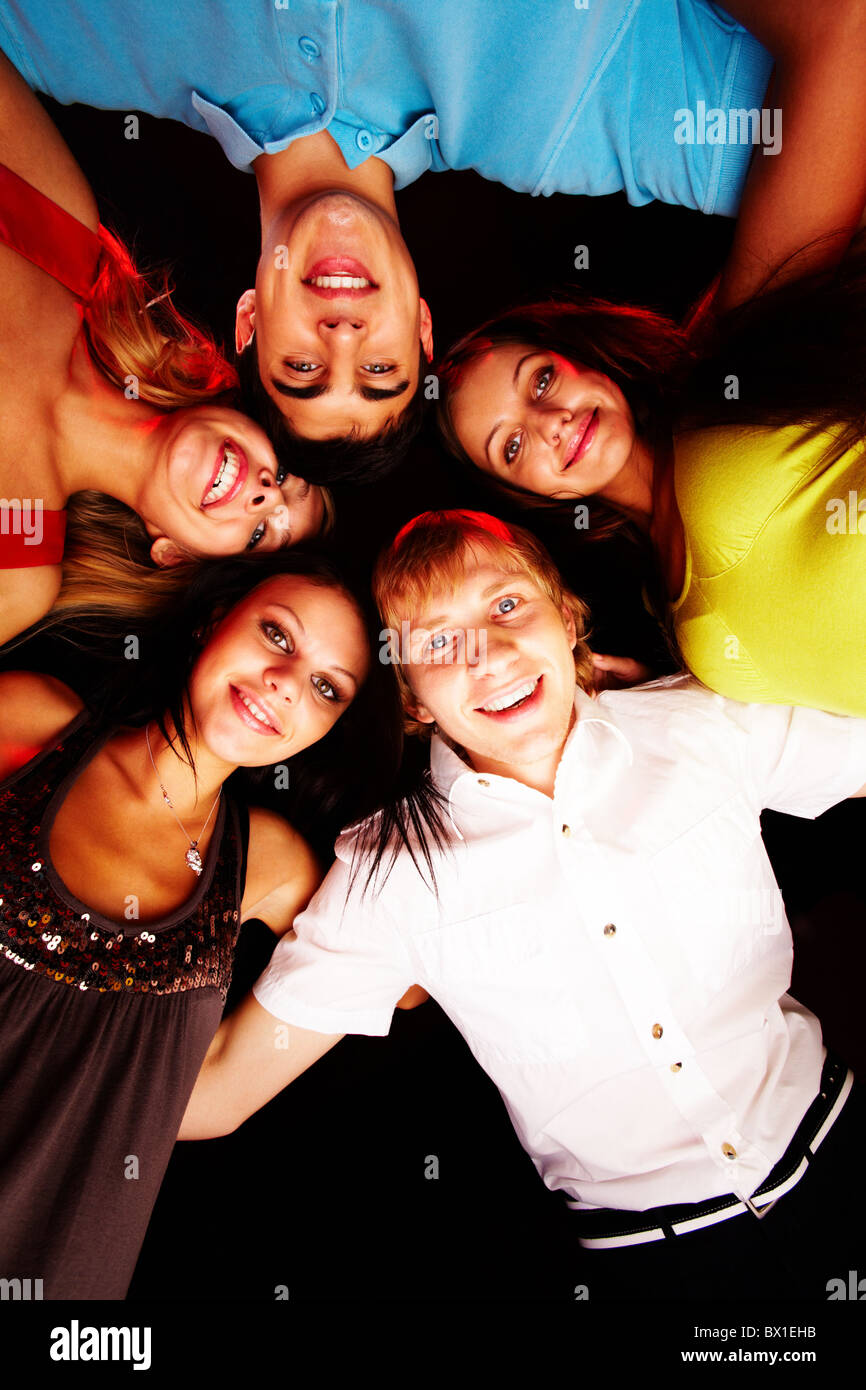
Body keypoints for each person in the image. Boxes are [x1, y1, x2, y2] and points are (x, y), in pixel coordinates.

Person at [178, 510, 866, 1300]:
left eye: (507, 607)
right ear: (411, 699)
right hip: (663, 1265)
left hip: (840, 1141)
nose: (492, 655)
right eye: (437, 643)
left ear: (567, 617)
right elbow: (217, 1093)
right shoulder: (389, 878)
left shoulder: (699, 723)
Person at [2, 1, 865, 474]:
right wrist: (717, 412)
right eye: (381, 370)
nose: (342, 339)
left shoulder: (70, 47)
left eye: (301, 367)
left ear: (248, 322)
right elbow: (843, 46)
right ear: (421, 323)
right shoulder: (567, 123)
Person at [0, 548, 410, 1300]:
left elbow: (402, 981)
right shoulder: (30, 722)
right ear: (215, 621)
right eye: (278, 635)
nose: (286, 683)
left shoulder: (268, 866)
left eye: (326, 688)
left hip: (55, 1266)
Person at [0, 49, 328, 647]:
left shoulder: (16, 569)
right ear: (242, 409)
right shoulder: (64, 229)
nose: (262, 492)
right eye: (283, 472)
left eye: (259, 534)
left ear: (175, 554)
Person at [435, 264, 866, 717]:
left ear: (581, 357)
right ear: (527, 493)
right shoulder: (659, 605)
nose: (550, 424)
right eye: (513, 446)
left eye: (541, 380)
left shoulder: (718, 372)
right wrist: (660, 707)